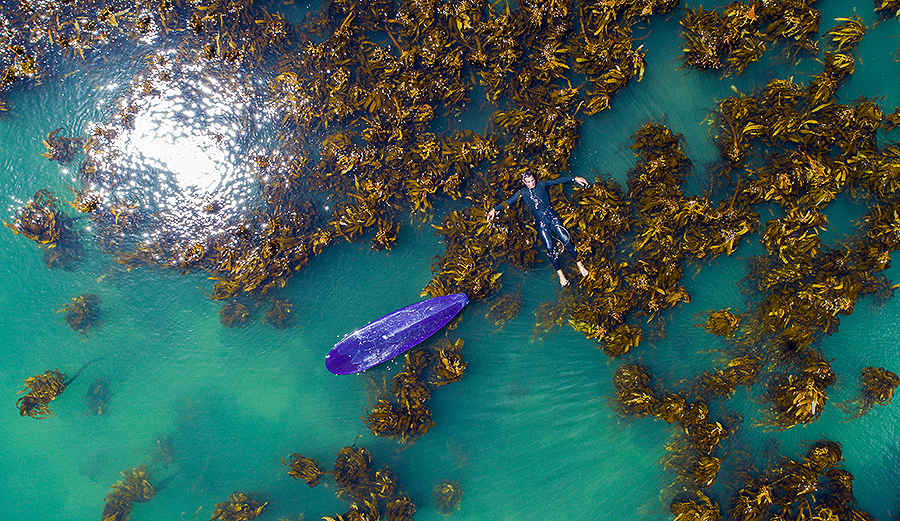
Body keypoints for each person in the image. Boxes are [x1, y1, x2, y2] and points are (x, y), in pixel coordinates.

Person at [487, 171, 590, 287]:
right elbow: (508, 202)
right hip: (541, 223)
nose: (532, 183)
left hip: (553, 218)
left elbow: (557, 180)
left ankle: (580, 264)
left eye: (532, 180)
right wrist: (494, 209)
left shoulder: (541, 185)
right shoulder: (522, 193)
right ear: (524, 182)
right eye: (529, 182)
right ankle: (561, 274)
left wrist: (574, 178)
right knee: (550, 248)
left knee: (566, 239)